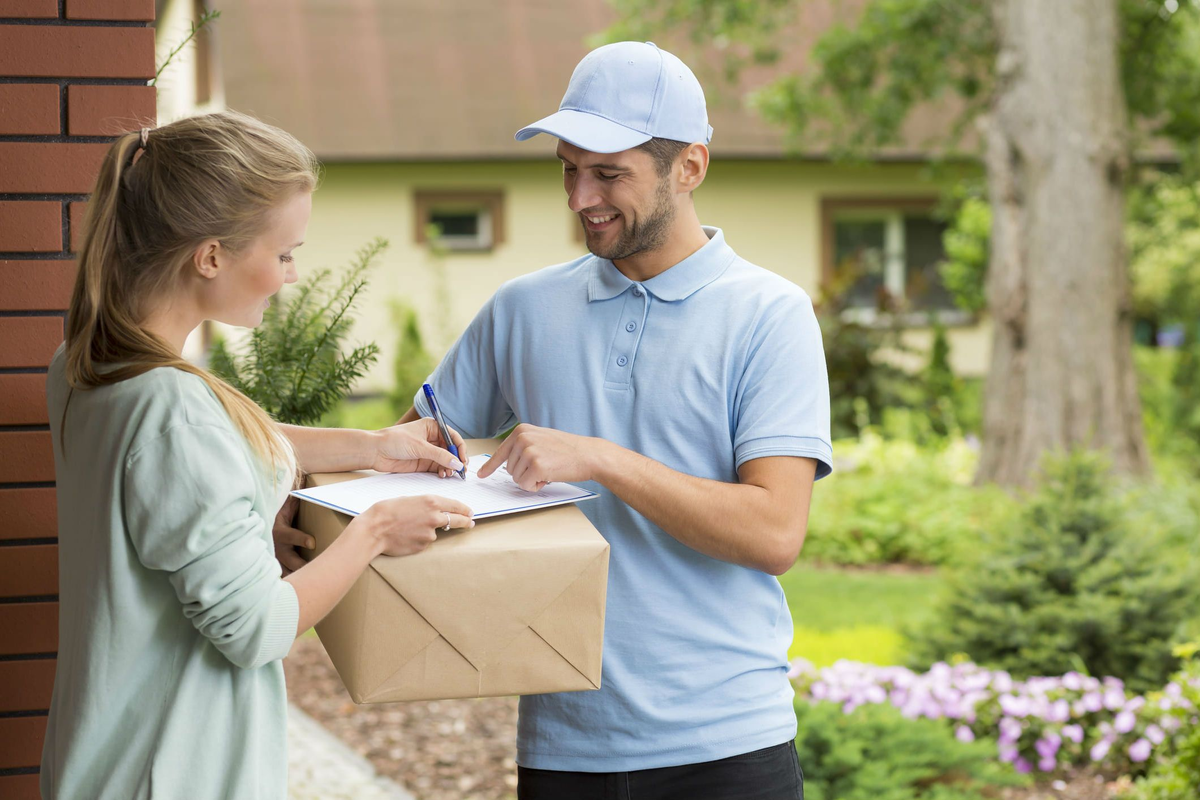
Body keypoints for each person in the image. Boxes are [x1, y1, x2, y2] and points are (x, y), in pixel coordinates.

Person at [397, 41, 832, 799]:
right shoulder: (521, 309)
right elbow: (408, 446)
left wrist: (602, 459)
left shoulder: (769, 314)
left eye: (608, 172)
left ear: (689, 167)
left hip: (728, 747)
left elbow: (774, 534)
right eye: (568, 168)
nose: (578, 197)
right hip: (564, 744)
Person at [41, 110, 474, 800]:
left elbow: (213, 438)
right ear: (210, 256)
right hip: (176, 772)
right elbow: (257, 629)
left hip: (109, 757)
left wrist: (371, 446)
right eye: (283, 253)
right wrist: (374, 532)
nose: (292, 274)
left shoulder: (88, 365)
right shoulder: (171, 411)